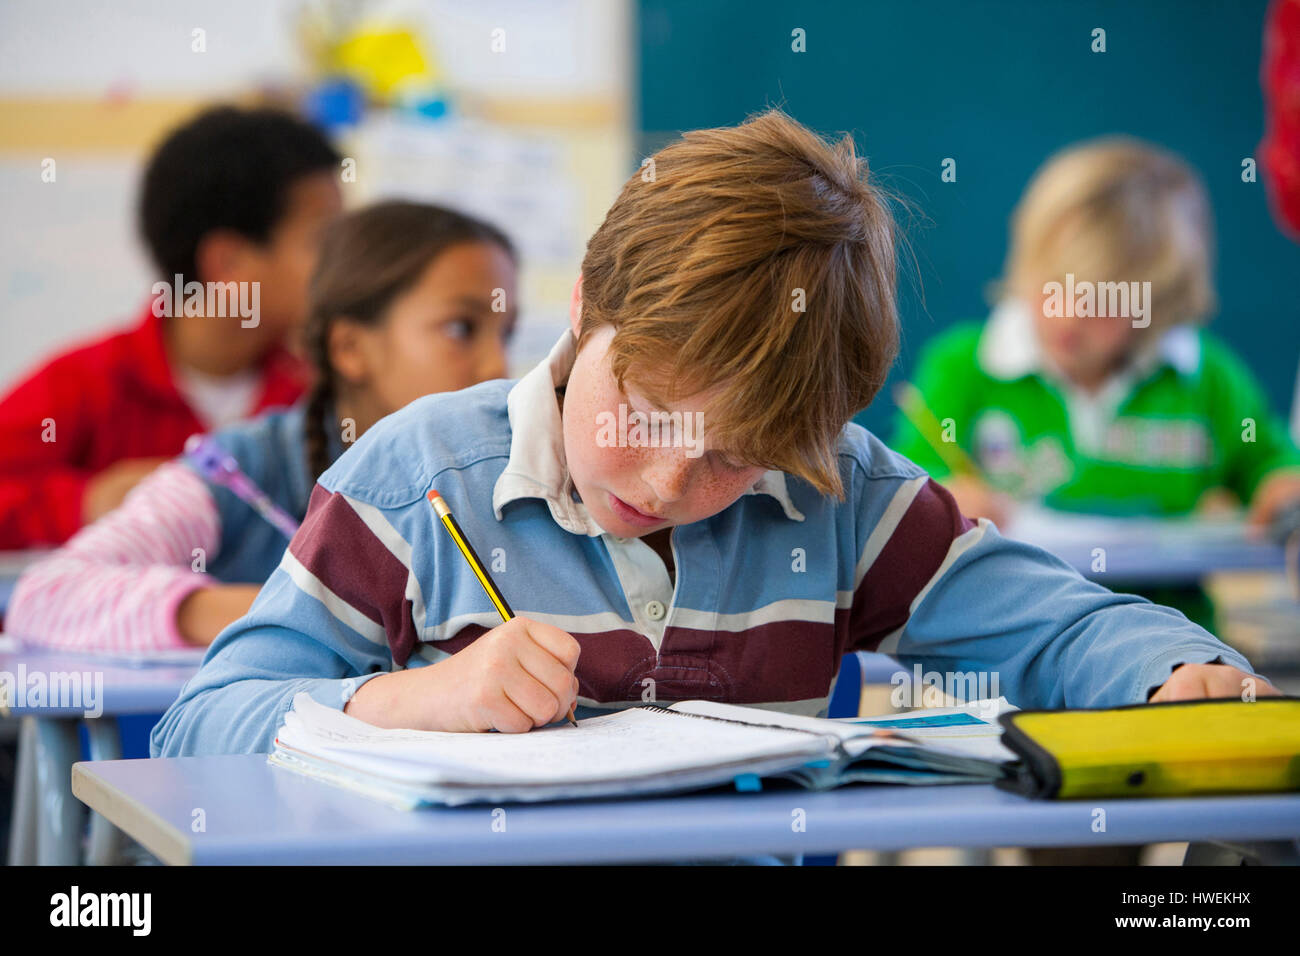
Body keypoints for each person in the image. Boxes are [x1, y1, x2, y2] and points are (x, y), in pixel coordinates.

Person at [152, 110, 1275, 761]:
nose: (668, 478)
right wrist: (406, 701)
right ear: (587, 304)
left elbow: (1064, 627)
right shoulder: (412, 482)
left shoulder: (839, 496)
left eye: (737, 455)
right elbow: (201, 725)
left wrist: (1178, 673)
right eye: (646, 411)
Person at [8, 201, 517, 649]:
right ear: (350, 348)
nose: (499, 366)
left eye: (507, 332)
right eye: (461, 328)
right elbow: (46, 597)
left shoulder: (508, 477)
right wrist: (283, 610)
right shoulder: (242, 469)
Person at [891, 137, 1300, 631]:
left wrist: (1281, 489)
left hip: (1171, 637)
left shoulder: (1203, 378)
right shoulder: (963, 367)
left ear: (1159, 304)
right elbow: (908, 485)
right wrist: (944, 499)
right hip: (1009, 634)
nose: (1069, 314)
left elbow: (1269, 463)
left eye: (1101, 300)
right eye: (1053, 286)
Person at [0, 105, 343, 549]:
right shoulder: (83, 382)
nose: (347, 264)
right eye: (324, 241)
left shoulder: (325, 388)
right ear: (228, 263)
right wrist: (88, 502)